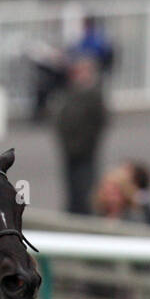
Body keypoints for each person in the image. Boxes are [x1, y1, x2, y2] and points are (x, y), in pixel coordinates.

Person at [55, 56, 108, 216]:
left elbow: (100, 122)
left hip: (84, 149)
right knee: (71, 184)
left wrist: (86, 142)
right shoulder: (71, 92)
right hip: (69, 148)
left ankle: (85, 213)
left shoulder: (93, 95)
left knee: (85, 184)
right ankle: (73, 211)